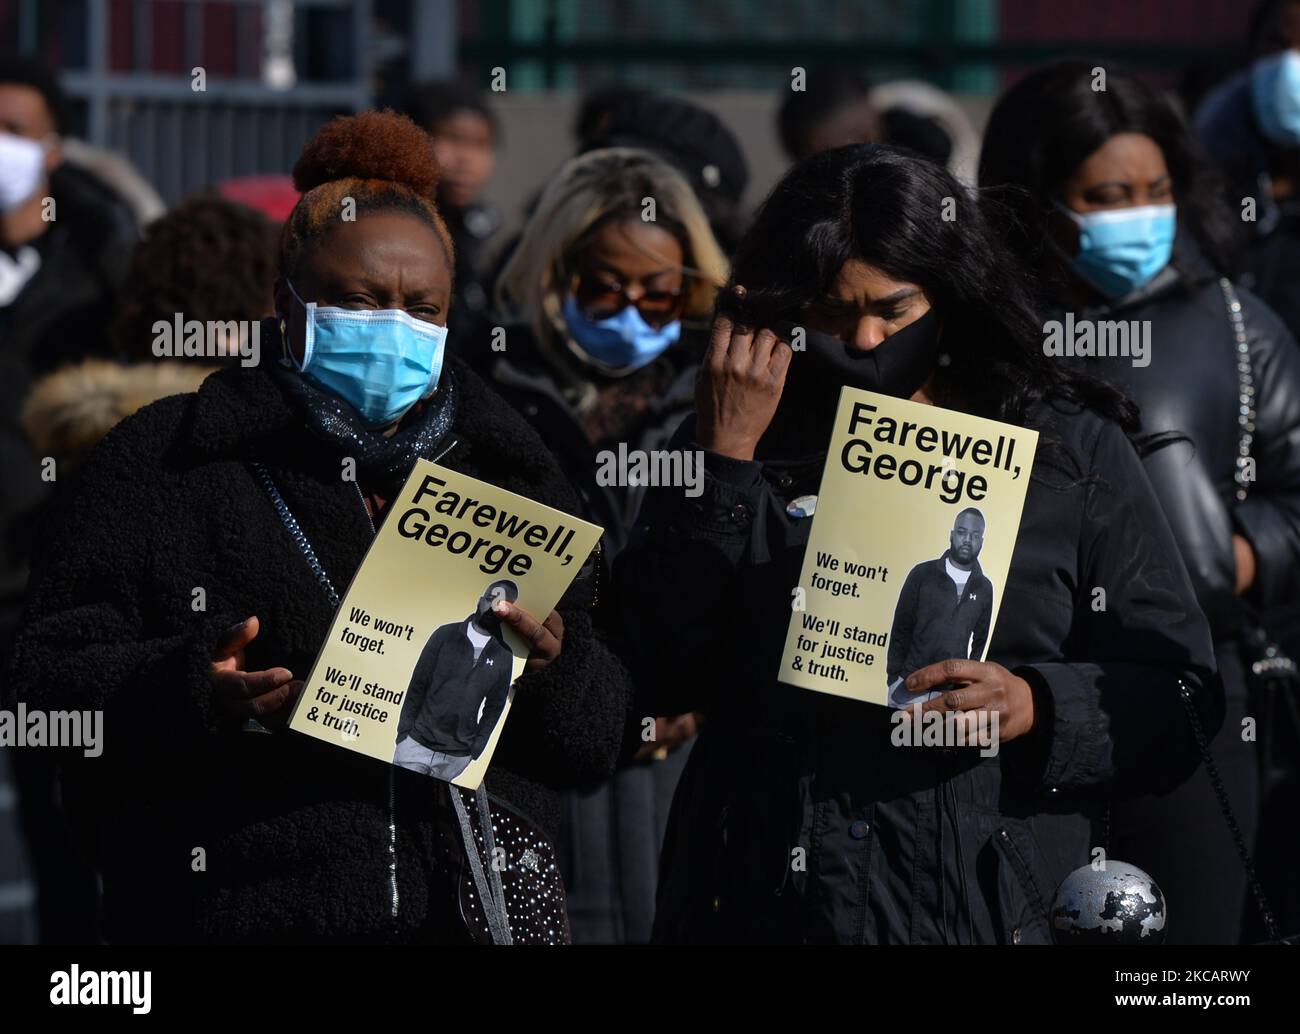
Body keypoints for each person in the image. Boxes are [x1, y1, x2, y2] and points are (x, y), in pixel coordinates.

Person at [4, 110, 630, 943]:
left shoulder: (511, 473)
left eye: (422, 307)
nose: (391, 327)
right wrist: (193, 692)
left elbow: (597, 739)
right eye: (358, 300)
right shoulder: (166, 460)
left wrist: (554, 665)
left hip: (469, 917)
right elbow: (43, 693)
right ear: (286, 303)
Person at [615, 143, 1222, 944]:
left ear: (952, 293)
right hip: (765, 902)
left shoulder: (1064, 448)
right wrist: (724, 469)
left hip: (981, 907)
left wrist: (1035, 704)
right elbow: (652, 674)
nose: (862, 338)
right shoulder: (735, 437)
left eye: (892, 310)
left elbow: (1181, 696)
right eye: (830, 314)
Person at [981, 61, 1300, 943]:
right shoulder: (980, 335)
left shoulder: (1238, 326)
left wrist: (1231, 559)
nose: (1140, 216)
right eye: (1108, 195)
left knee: (1184, 962)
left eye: (1156, 190)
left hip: (1191, 700)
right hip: (1014, 703)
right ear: (1035, 201)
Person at [491, 147, 727, 942]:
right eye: (604, 288)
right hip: (536, 759)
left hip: (690, 765)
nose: (632, 315)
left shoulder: (724, 401)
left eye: (660, 297)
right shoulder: (489, 392)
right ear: (554, 274)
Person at [403, 81, 503, 373]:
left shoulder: (488, 232)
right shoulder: (392, 225)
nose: (466, 159)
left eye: (480, 145)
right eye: (453, 139)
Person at [394, 579, 519, 781]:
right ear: (480, 601)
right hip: (416, 745)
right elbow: (418, 684)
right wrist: (404, 732)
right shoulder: (445, 634)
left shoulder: (504, 654)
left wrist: (477, 747)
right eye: (490, 599)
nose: (493, 607)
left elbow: (495, 706)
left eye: (502, 605)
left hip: (456, 758)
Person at [886, 508, 993, 709]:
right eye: (962, 532)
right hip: (908, 685)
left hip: (950, 694)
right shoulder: (922, 574)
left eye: (975, 535)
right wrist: (894, 676)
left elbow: (981, 639)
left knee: (936, 741)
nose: (968, 540)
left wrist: (967, 683)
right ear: (952, 535)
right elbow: (901, 625)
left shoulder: (985, 588)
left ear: (982, 541)